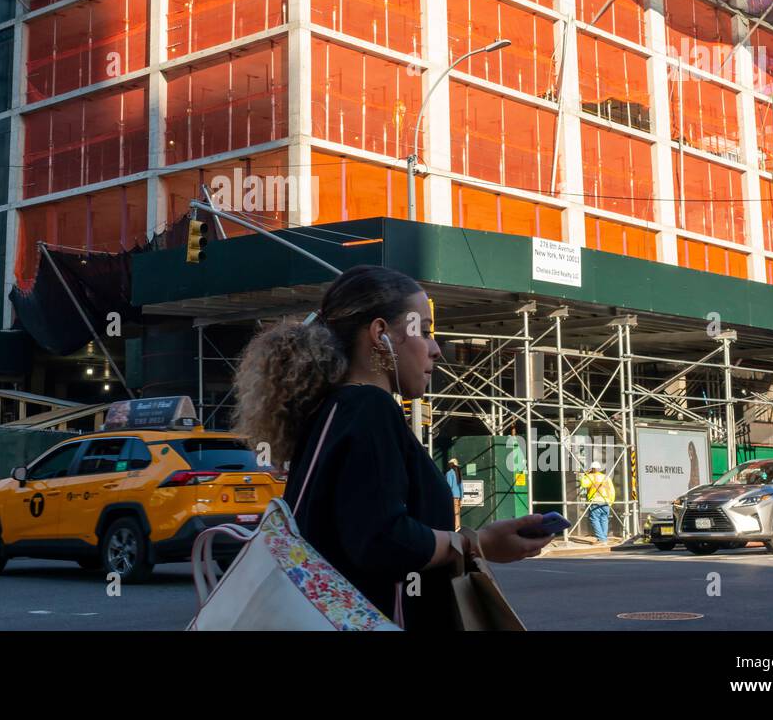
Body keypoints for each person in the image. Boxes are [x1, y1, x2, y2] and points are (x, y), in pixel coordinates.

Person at [233, 265, 554, 631]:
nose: (436, 349)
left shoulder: (332, 410)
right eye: (425, 331)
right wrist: (477, 542)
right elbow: (382, 539)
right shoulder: (370, 407)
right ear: (380, 334)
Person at [580, 461, 615, 544]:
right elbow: (612, 490)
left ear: (592, 469)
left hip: (595, 501)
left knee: (594, 519)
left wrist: (585, 475)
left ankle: (602, 539)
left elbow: (584, 484)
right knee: (604, 520)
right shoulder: (606, 477)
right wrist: (611, 502)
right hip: (606, 501)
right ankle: (604, 538)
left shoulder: (590, 477)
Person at [445, 458, 463, 531]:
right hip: (458, 496)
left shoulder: (449, 473)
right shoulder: (458, 473)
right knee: (457, 513)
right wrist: (461, 498)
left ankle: (454, 527)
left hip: (452, 496)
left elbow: (449, 486)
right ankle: (458, 527)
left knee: (452, 513)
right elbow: (461, 487)